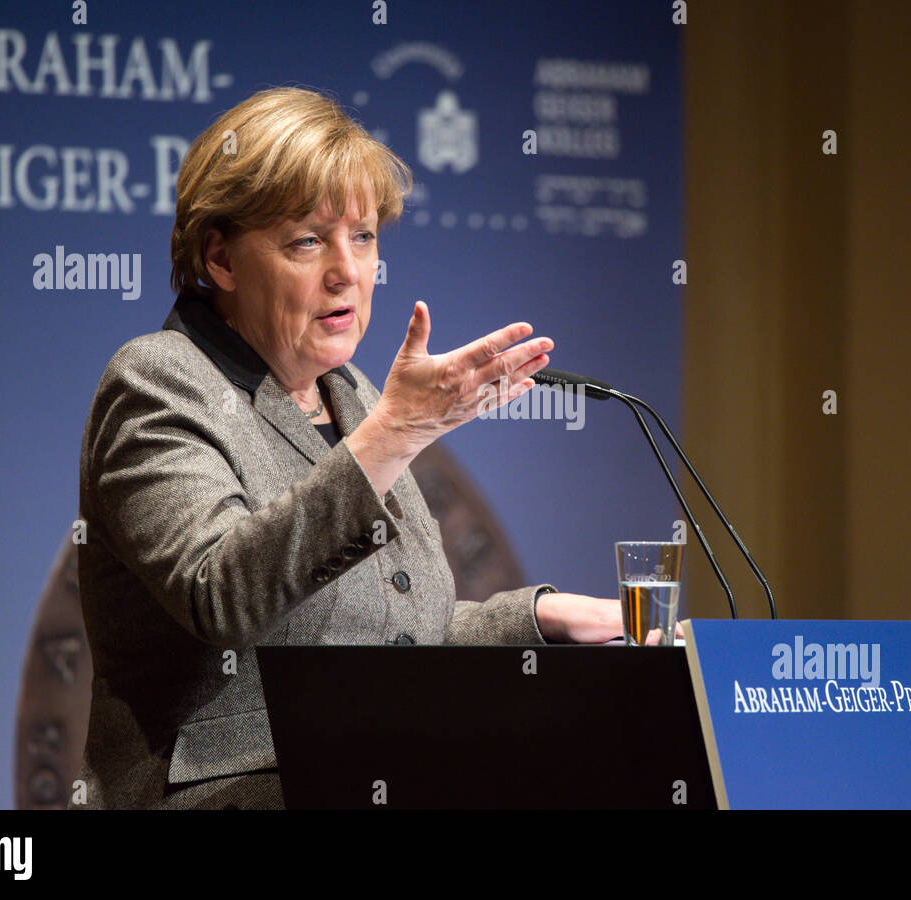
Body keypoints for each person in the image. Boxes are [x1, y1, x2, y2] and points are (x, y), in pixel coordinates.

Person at [69, 87, 623, 809]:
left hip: (364, 765)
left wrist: (539, 618)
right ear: (221, 257)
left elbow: (384, 631)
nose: (348, 271)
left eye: (362, 237)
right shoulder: (160, 381)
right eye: (307, 240)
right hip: (223, 788)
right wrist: (395, 432)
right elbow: (220, 593)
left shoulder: (349, 391)